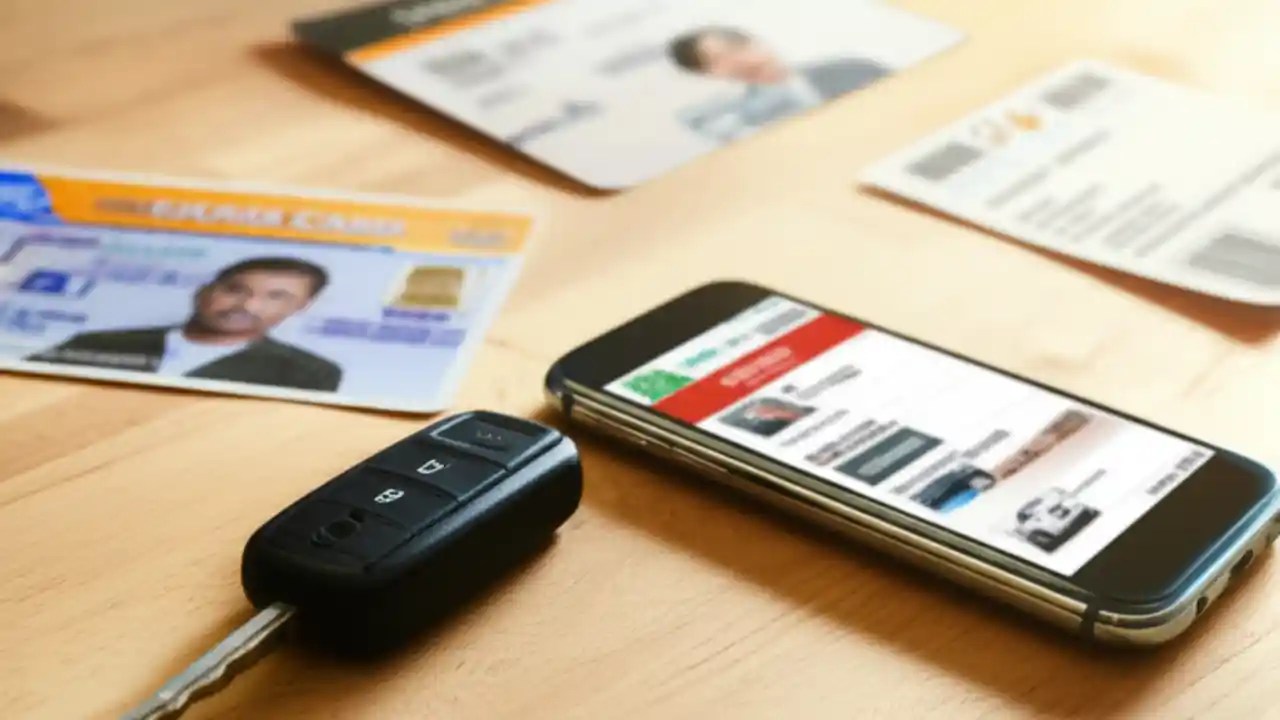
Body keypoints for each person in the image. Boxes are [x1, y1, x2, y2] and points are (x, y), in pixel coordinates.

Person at [27, 257, 343, 391]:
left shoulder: (310, 372)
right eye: (235, 290)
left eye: (276, 296)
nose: (247, 305)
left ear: (302, 306)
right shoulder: (95, 343)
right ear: (206, 289)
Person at [668, 27, 889, 141]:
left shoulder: (853, 67)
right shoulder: (744, 124)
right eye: (717, 60)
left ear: (756, 40)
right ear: (707, 75)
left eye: (736, 47)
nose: (740, 60)